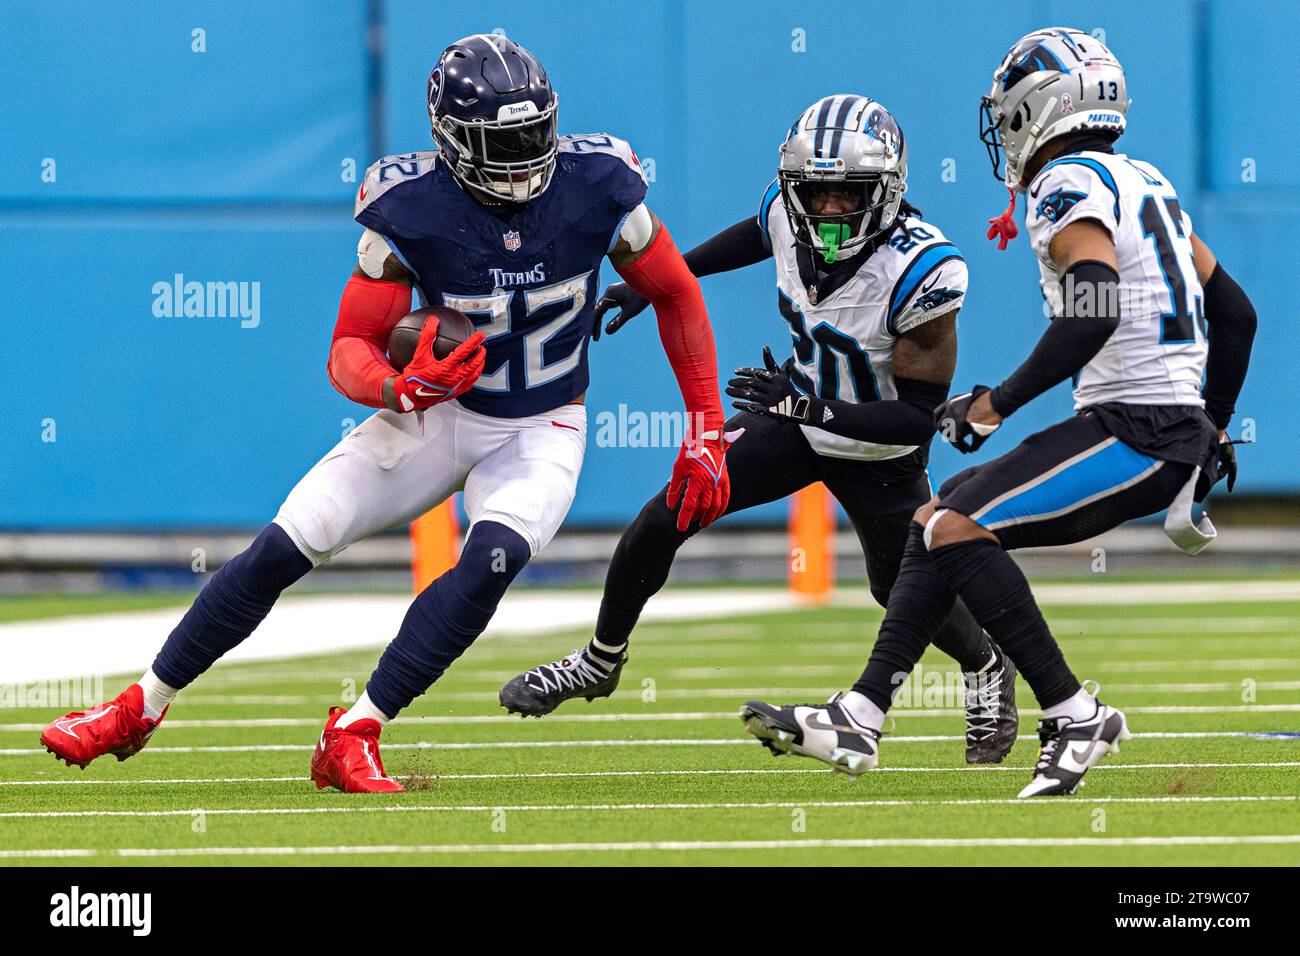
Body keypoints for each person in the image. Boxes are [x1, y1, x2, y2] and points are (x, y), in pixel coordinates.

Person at [40, 34, 731, 793]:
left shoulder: (600, 183)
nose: (525, 154)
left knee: (489, 563)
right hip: (433, 415)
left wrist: (704, 426)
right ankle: (142, 705)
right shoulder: (412, 209)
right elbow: (350, 347)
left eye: (535, 133)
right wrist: (399, 390)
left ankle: (358, 726)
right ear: (452, 141)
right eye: (502, 141)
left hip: (541, 425)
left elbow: (676, 292)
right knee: (286, 544)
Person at [743, 29, 1256, 796]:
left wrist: (996, 403)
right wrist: (1215, 420)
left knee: (953, 526)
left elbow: (1093, 312)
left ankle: (1074, 711)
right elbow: (1237, 312)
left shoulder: (1068, 185)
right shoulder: (1144, 180)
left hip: (1137, 429)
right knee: (938, 517)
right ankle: (861, 713)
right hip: (1152, 424)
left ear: (1038, 106)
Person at [500, 95, 1018, 767]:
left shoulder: (922, 271)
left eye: (848, 194)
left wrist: (802, 409)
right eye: (816, 192)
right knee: (669, 512)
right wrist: (660, 282)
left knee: (895, 589)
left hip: (878, 446)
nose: (829, 210)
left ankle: (984, 663)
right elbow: (758, 231)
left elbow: (918, 416)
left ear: (886, 191)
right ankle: (601, 660)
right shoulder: (785, 213)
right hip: (797, 413)